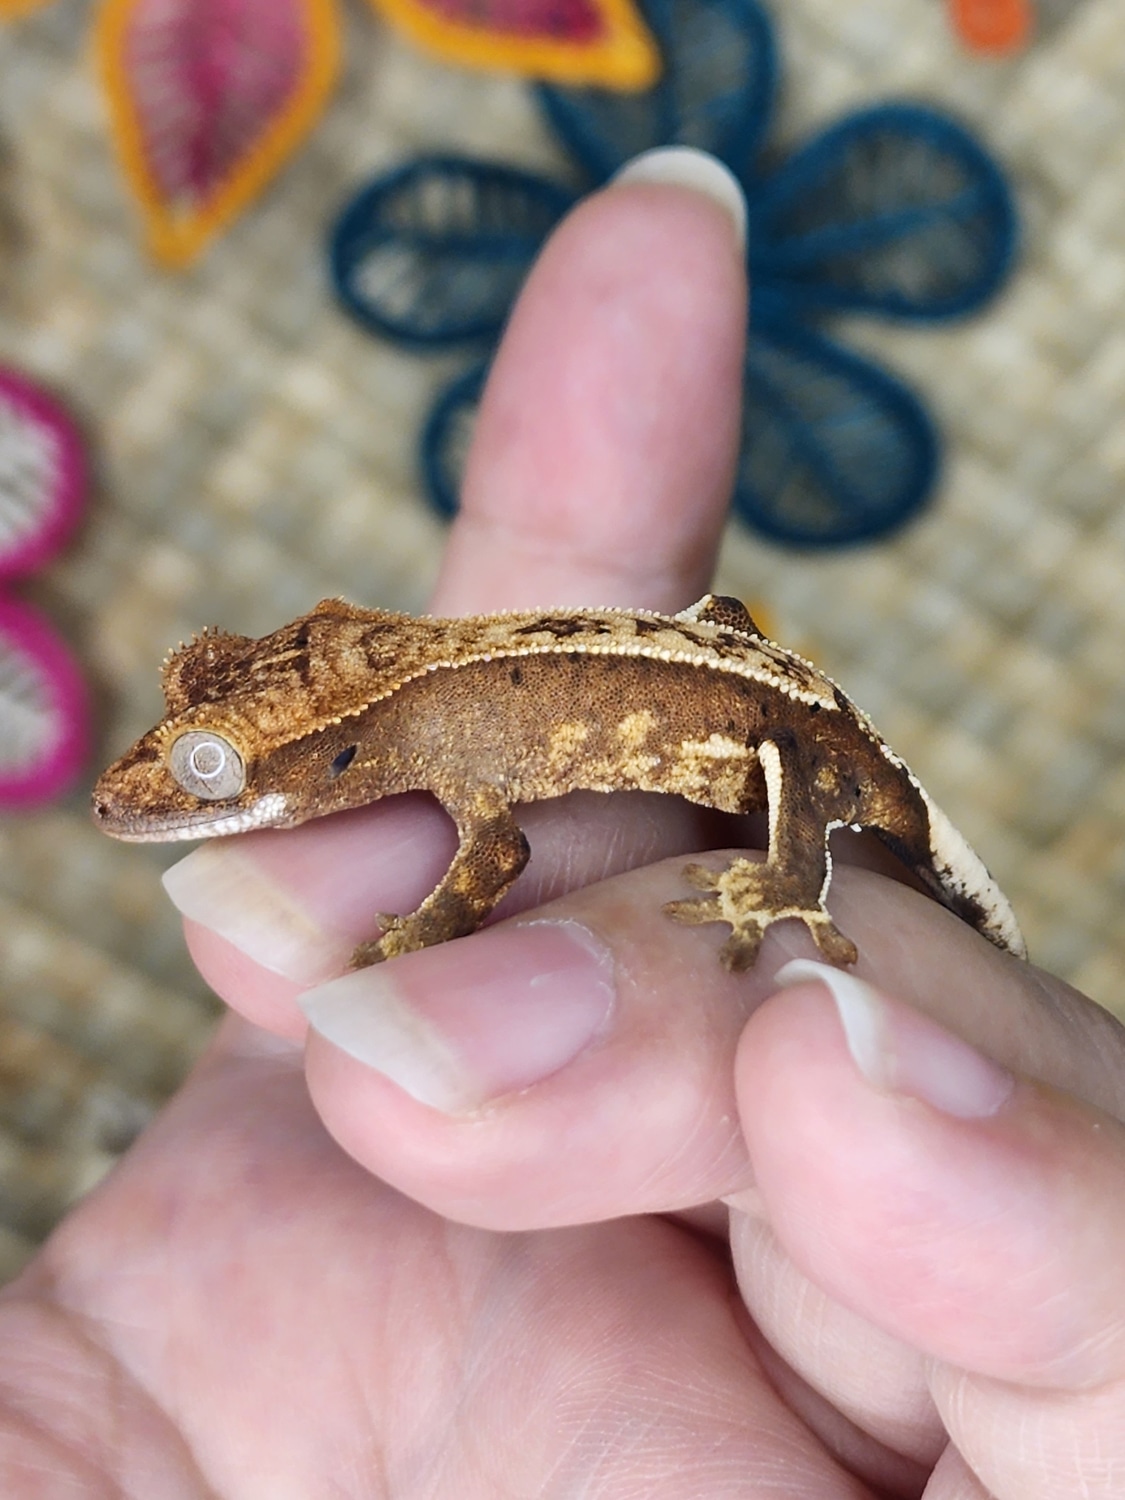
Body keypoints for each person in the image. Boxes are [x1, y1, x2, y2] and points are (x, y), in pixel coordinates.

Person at [2, 148, 1121, 1498]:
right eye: (191, 747)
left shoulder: (462, 760)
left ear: (338, 749)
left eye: (201, 766)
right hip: (713, 683)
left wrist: (426, 935)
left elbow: (498, 856)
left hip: (787, 750)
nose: (144, 791)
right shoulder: (427, 735)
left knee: (800, 862)